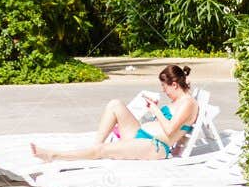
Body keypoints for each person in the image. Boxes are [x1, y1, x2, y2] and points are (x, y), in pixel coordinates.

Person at [32, 64, 198, 163]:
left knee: (104, 150)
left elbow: (170, 130)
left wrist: (155, 110)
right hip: (140, 134)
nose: (164, 91)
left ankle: (53, 155)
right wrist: (153, 110)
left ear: (175, 84)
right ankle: (94, 145)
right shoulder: (178, 102)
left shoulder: (188, 103)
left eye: (165, 87)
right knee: (115, 105)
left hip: (154, 146)